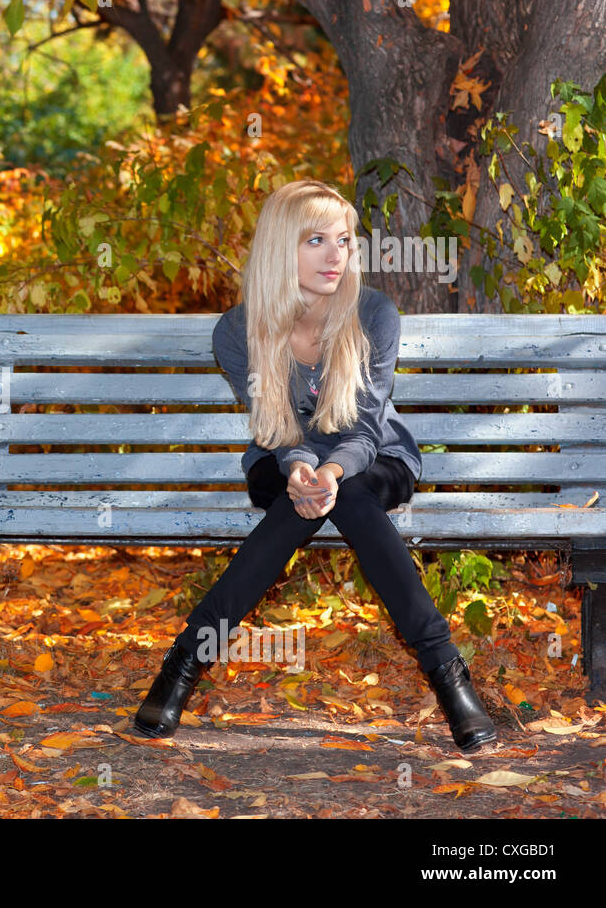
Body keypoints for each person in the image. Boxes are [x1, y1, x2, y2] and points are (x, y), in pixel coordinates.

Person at [132, 180, 497, 753]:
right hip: (280, 455)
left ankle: (182, 664)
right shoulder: (238, 329)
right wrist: (303, 468)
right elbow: (276, 424)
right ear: (281, 248)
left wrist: (329, 474)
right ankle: (450, 673)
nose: (336, 255)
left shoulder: (372, 314)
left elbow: (365, 427)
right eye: (316, 240)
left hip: (376, 457)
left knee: (350, 495)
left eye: (345, 241)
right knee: (307, 496)